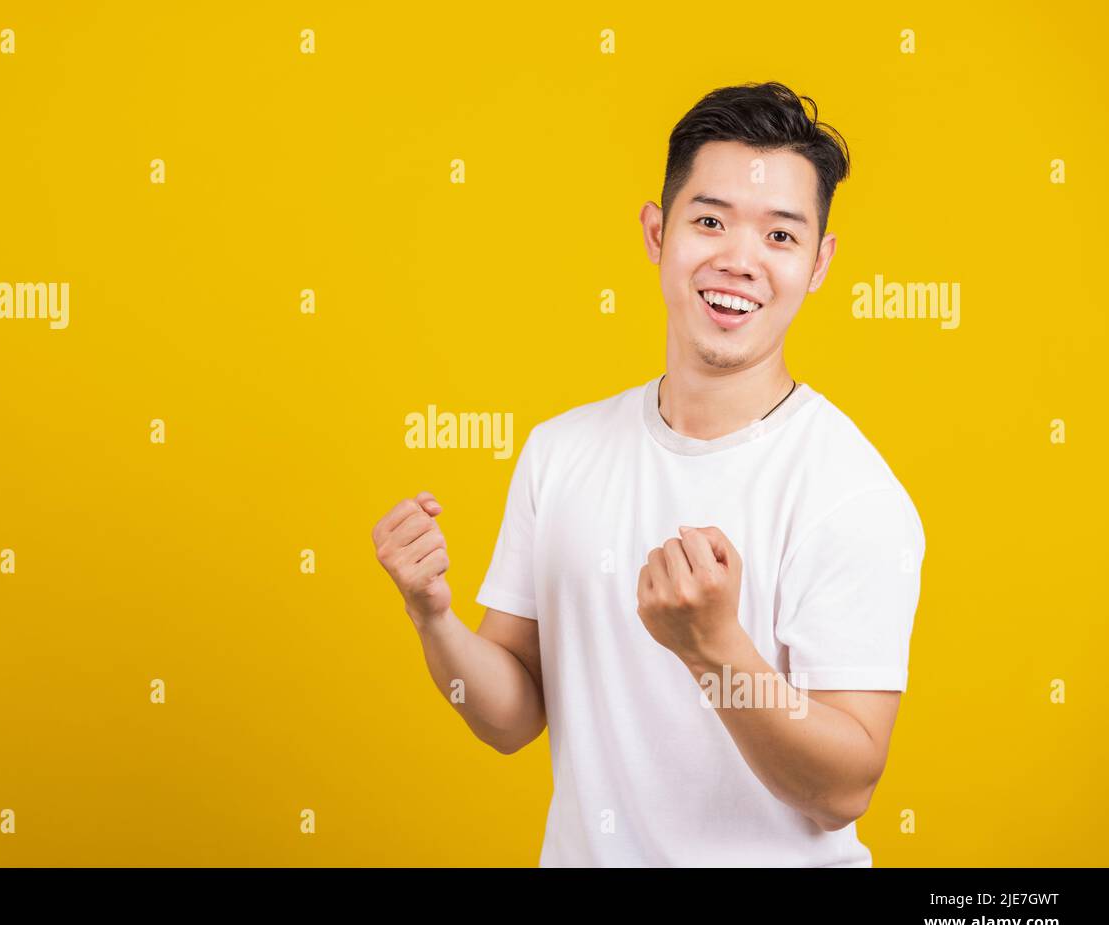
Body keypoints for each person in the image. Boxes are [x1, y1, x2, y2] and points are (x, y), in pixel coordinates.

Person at [371, 81, 926, 867]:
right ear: (656, 233)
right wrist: (433, 618)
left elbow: (843, 789)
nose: (739, 260)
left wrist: (712, 648)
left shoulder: (853, 494)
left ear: (819, 263)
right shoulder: (561, 452)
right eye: (709, 221)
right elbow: (511, 715)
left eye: (780, 237)